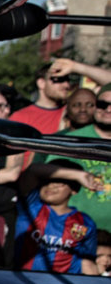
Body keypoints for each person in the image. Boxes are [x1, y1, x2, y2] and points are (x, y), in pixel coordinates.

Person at [10, 160, 104, 275]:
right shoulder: (30, 204)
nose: (51, 186)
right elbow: (33, 170)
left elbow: (87, 262)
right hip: (23, 278)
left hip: (62, 283)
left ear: (74, 190)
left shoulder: (85, 223)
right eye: (47, 181)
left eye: (60, 182)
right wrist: (79, 175)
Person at [44, 84, 111, 235]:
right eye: (102, 104)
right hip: (77, 233)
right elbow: (46, 174)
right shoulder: (72, 141)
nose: (108, 109)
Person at [11, 57, 111, 136]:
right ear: (41, 83)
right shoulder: (21, 117)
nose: (66, 85)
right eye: (59, 80)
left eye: (68, 80)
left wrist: (75, 67)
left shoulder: (74, 112)